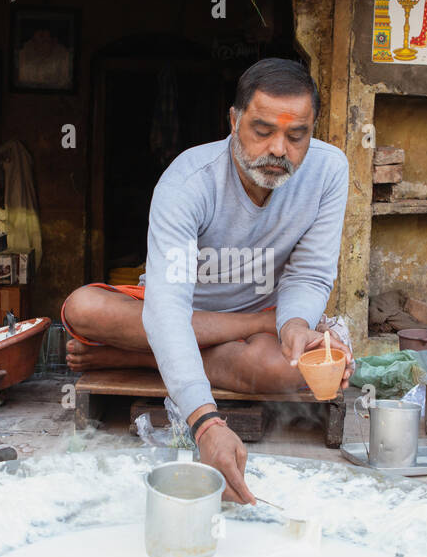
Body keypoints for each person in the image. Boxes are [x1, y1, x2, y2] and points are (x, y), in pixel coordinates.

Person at [61, 58, 352, 503]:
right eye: (262, 130)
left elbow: (310, 273)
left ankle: (131, 356)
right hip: (187, 314)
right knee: (82, 308)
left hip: (263, 319)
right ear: (233, 121)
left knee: (289, 370)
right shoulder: (187, 183)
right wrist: (205, 422)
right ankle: (226, 336)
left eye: (297, 136)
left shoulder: (329, 171)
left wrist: (294, 325)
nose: (279, 149)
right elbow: (169, 310)